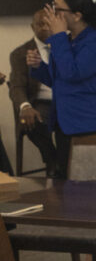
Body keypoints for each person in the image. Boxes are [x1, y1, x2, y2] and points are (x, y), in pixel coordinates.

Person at [27, 0, 96, 178]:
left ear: (76, 15)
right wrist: (38, 67)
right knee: (68, 186)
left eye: (57, 8)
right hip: (64, 122)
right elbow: (59, 81)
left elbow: (72, 73)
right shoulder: (66, 41)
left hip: (90, 123)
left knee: (89, 188)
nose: (52, 13)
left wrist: (57, 37)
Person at [8, 10, 59, 176]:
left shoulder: (65, 46)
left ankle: (64, 163)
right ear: (32, 27)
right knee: (31, 119)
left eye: (48, 24)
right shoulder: (20, 53)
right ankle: (54, 162)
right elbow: (17, 86)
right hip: (40, 102)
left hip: (65, 100)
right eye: (40, 24)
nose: (44, 28)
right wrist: (25, 106)